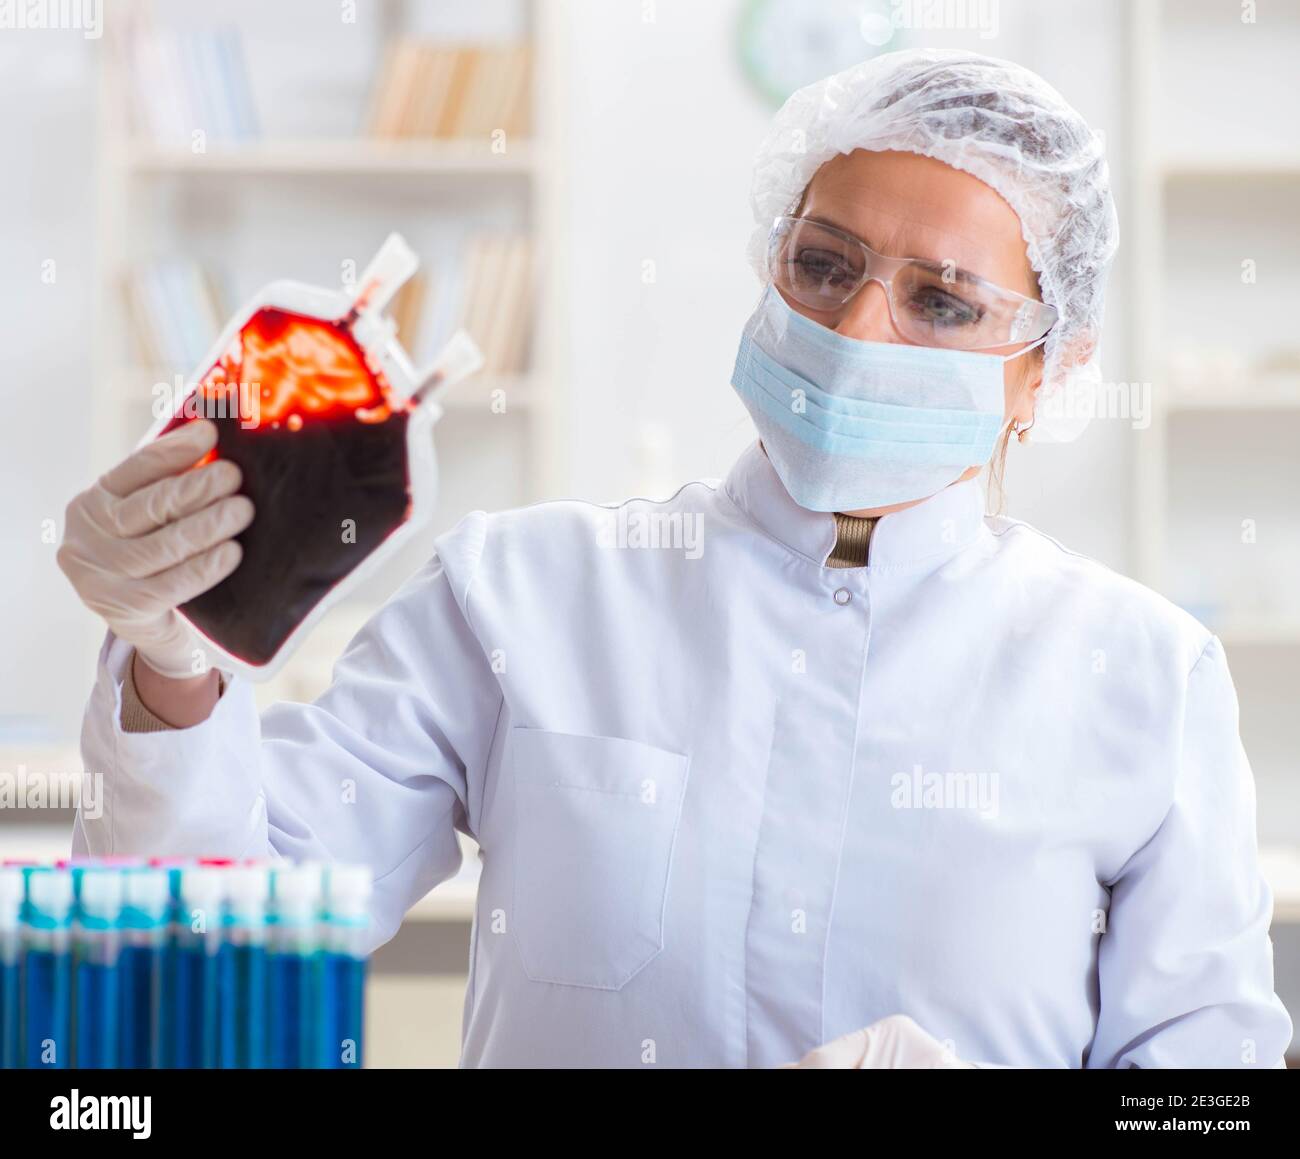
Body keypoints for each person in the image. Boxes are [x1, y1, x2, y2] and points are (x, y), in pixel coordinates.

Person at [58, 48, 1291, 1068]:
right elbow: (212, 950)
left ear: (1050, 367)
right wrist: (179, 663)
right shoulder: (526, 594)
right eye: (825, 265)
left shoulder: (1136, 674)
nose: (860, 327)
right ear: (771, 269)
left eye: (945, 301)